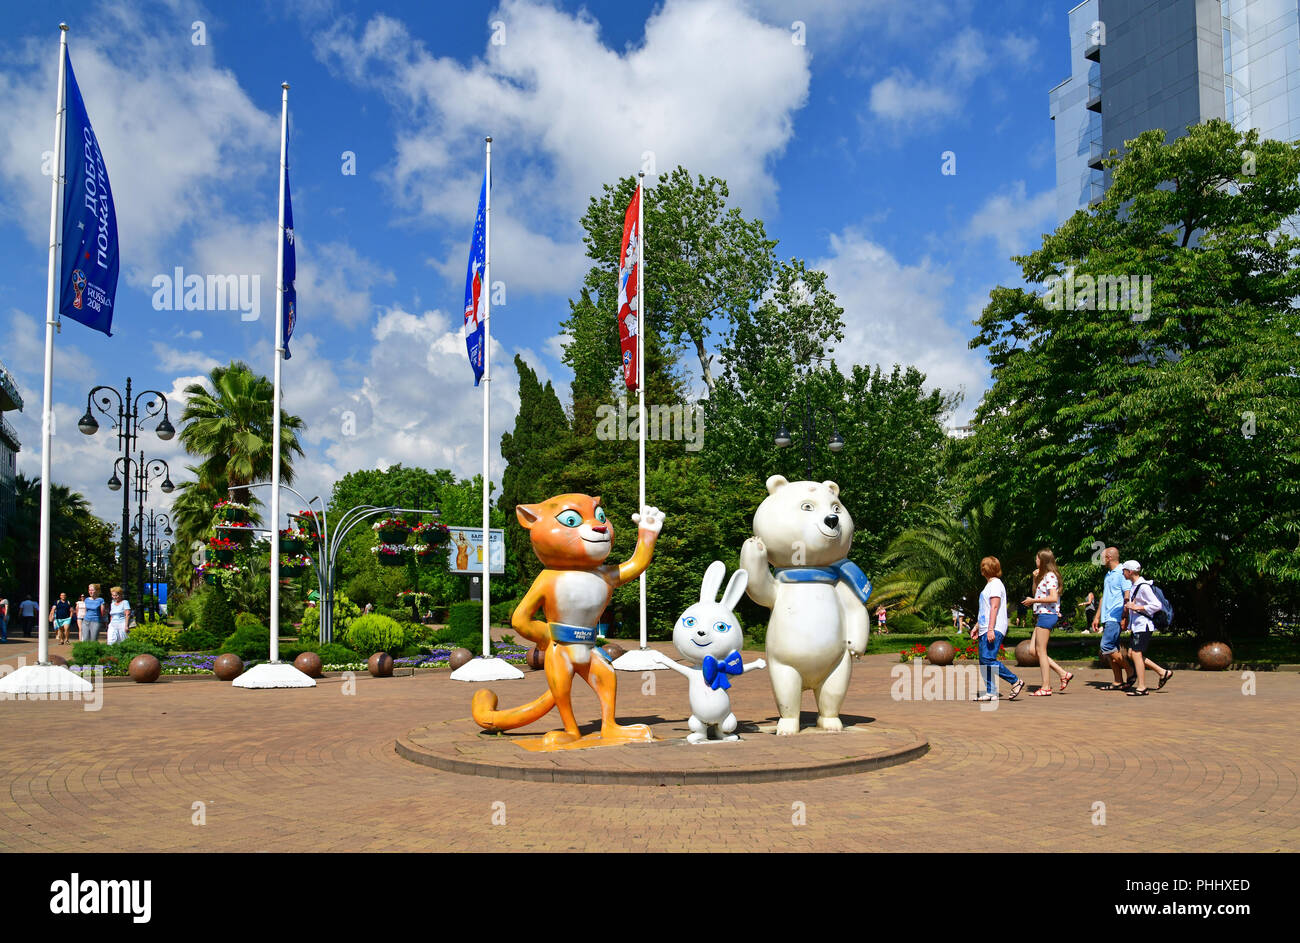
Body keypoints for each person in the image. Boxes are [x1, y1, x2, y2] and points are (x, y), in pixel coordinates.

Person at [1022, 548, 1073, 695]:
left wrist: (1034, 600)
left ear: (1043, 561)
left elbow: (1053, 598)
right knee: (1033, 651)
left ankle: (1046, 687)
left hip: (1047, 614)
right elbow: (1036, 593)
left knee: (1041, 651)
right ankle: (1063, 673)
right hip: (1042, 614)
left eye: (1037, 559)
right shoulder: (1043, 576)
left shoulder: (1050, 576)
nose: (1035, 561)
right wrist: (1035, 579)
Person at [974, 556, 1023, 701]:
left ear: (985, 570)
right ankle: (991, 692)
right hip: (985, 627)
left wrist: (990, 629)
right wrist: (977, 626)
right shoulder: (989, 585)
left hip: (994, 627)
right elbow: (985, 609)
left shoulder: (995, 584)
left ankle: (1015, 681)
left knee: (988, 659)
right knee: (984, 661)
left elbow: (994, 607)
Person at [1121, 561, 1173, 696]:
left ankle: (1142, 687)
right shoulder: (1134, 586)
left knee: (1136, 654)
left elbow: (1157, 605)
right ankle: (1163, 672)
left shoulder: (1143, 587)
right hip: (1137, 625)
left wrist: (1137, 607)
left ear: (1130, 572)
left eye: (1124, 570)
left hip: (1143, 625)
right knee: (1132, 654)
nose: (1123, 573)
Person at [1092, 548, 1135, 690]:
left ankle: (1130, 670)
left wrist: (1125, 616)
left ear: (1109, 557)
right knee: (1112, 651)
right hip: (1107, 616)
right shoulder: (1108, 575)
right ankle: (1118, 681)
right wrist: (1097, 617)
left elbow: (1127, 595)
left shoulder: (1122, 573)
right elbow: (1104, 597)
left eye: (1102, 557)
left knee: (1106, 646)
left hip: (1115, 617)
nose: (1101, 560)